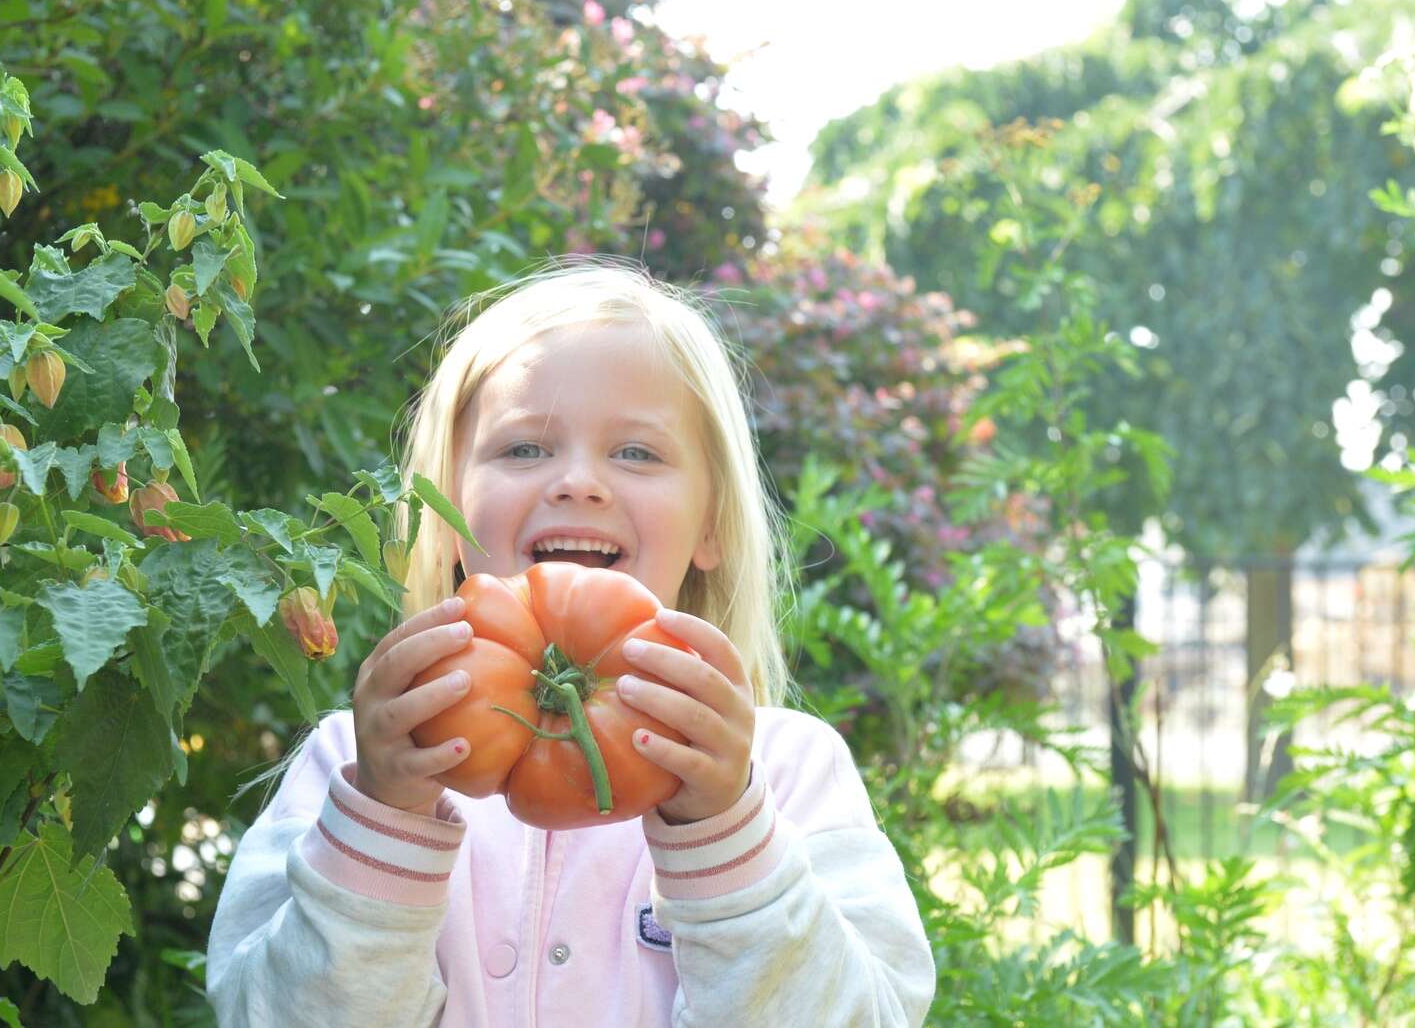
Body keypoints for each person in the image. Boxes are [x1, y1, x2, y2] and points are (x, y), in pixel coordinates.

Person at [206, 259, 936, 1026]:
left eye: (636, 453)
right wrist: (388, 817)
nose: (577, 482)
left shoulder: (785, 774)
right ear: (447, 509)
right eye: (524, 449)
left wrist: (723, 833)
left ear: (712, 524)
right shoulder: (357, 767)